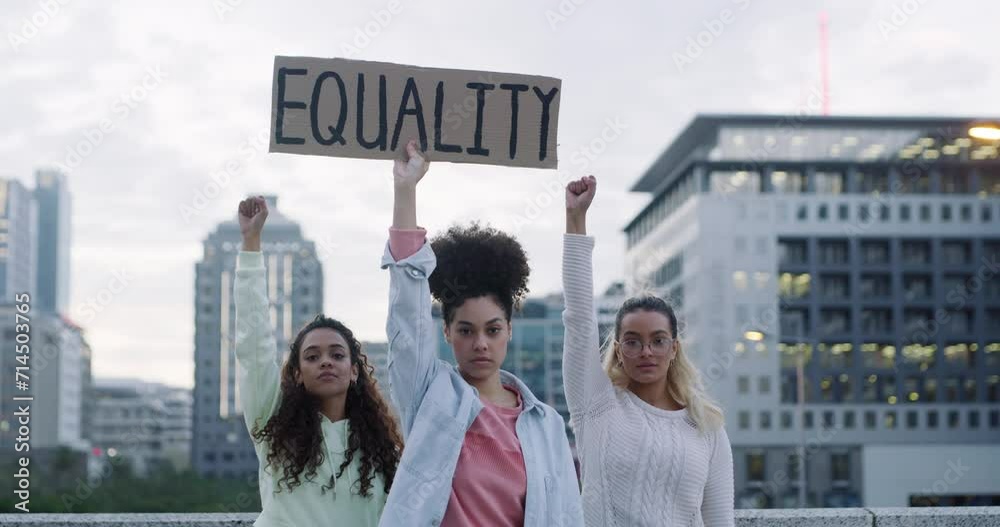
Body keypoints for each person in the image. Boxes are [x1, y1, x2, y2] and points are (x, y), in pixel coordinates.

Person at [377, 140, 583, 526]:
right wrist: (405, 189)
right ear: (447, 333)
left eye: (492, 329)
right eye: (466, 331)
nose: (480, 343)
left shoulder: (546, 424)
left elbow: (567, 516)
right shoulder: (429, 395)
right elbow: (406, 312)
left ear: (509, 331)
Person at [561, 176, 735, 526]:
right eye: (633, 341)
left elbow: (719, 520)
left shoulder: (707, 426)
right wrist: (575, 219)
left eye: (658, 340)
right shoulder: (596, 406)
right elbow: (579, 318)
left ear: (674, 348)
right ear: (619, 349)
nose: (646, 351)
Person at [234, 196, 402, 527]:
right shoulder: (273, 424)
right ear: (297, 373)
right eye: (312, 357)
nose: (326, 362)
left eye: (337, 355)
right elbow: (254, 346)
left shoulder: (380, 447)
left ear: (355, 370)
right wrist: (251, 245)